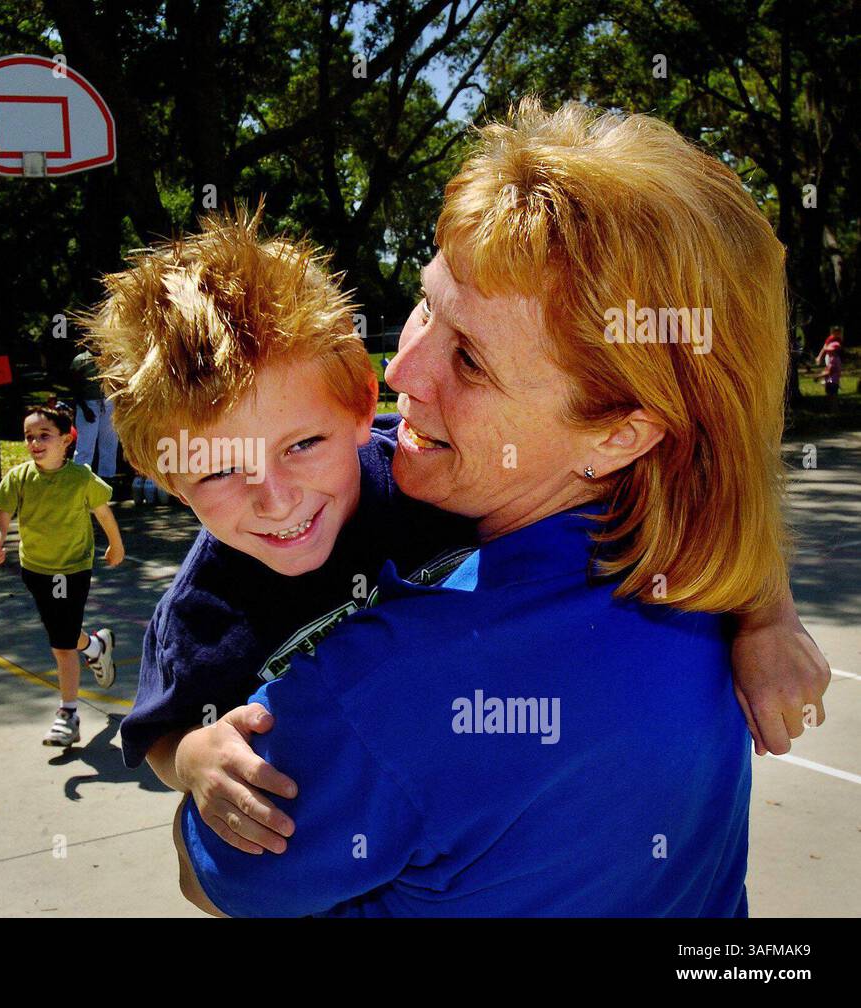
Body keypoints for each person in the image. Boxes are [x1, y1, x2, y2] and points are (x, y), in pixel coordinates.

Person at [172, 100, 833, 917]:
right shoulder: (699, 577)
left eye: (472, 361)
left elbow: (210, 878)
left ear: (624, 432)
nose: (400, 371)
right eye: (427, 304)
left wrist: (193, 769)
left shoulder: (384, 693)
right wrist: (768, 611)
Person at [0, 404, 126, 746]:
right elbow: (2, 516)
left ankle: (68, 713)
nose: (35, 442)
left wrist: (115, 545)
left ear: (66, 440)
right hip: (34, 568)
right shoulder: (19, 477)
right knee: (61, 632)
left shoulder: (80, 478)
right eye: (29, 436)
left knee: (61, 644)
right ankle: (95, 646)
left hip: (72, 569)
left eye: (44, 435)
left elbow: (103, 513)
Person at [69, 348, 119, 481]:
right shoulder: (81, 360)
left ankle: (107, 477)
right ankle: (80, 477)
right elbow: (75, 387)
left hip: (108, 402)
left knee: (109, 442)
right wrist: (84, 408)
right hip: (89, 403)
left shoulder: (110, 358)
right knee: (86, 443)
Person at [816, 327, 843, 406]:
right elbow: (824, 348)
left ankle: (834, 412)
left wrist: (818, 376)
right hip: (834, 381)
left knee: (832, 399)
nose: (828, 351)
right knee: (832, 398)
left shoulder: (833, 359)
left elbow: (829, 371)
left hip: (832, 382)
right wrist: (819, 357)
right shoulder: (835, 358)